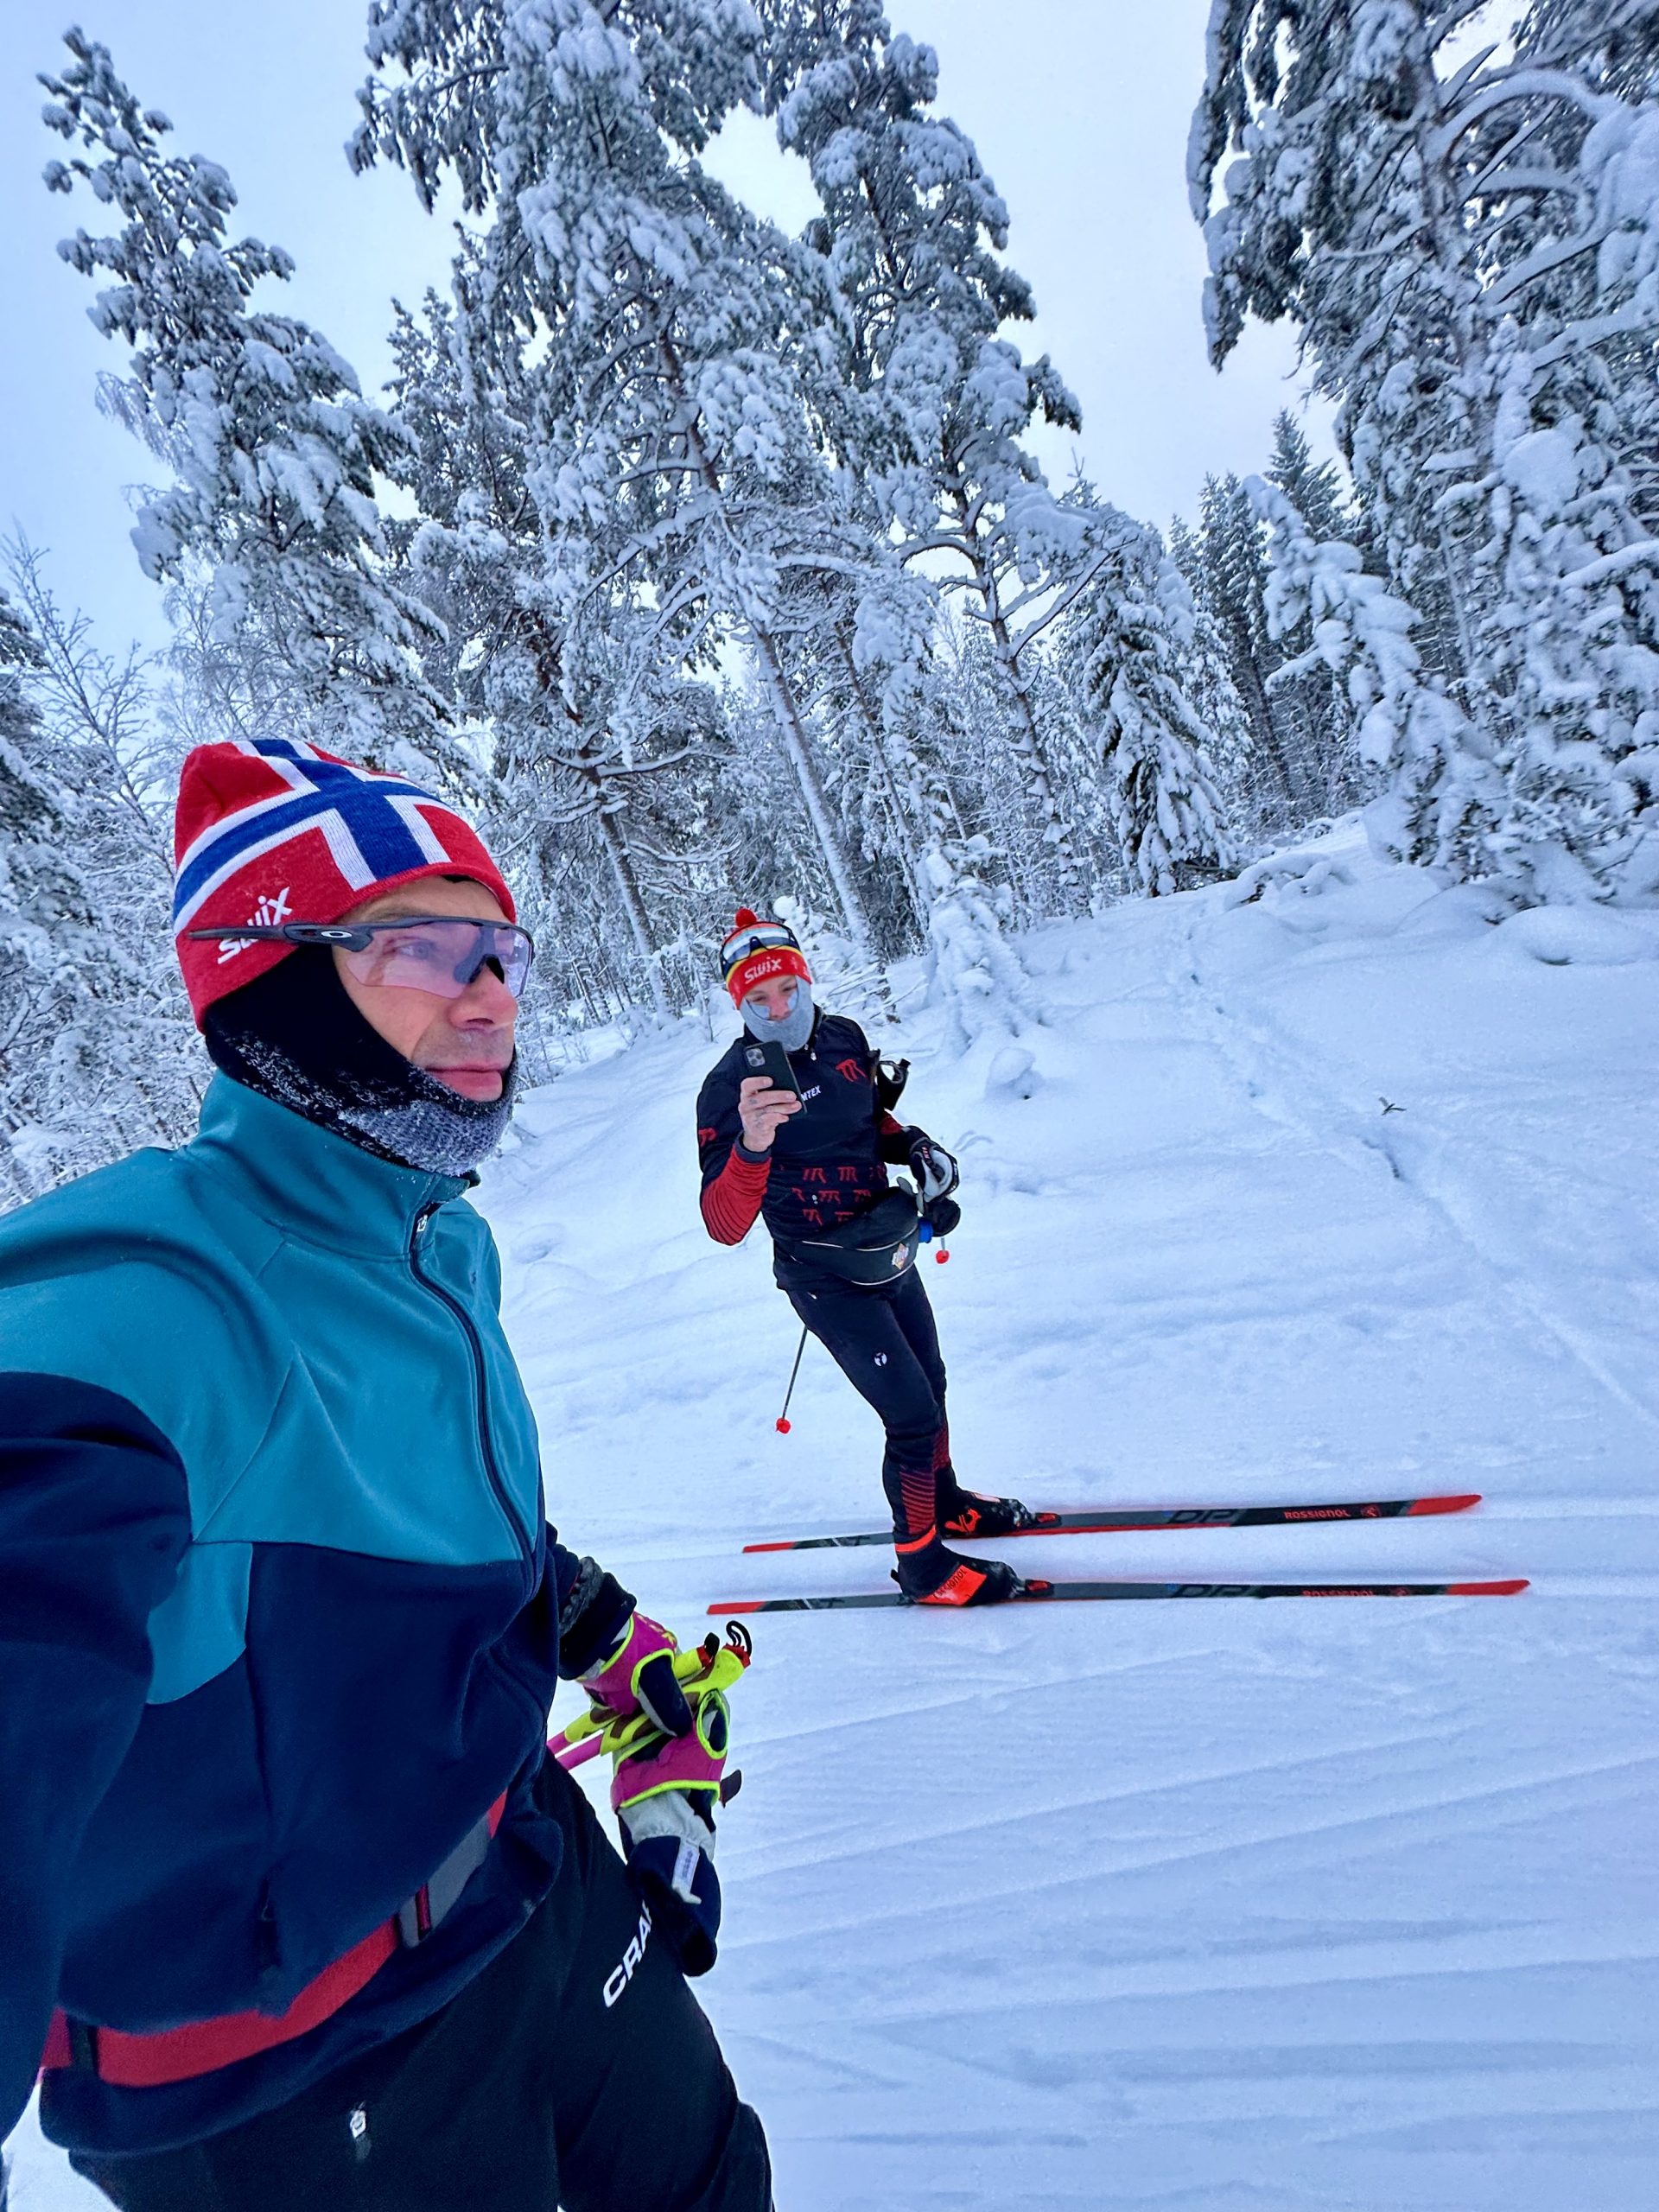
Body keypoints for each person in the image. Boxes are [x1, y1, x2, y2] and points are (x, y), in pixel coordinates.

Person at [0, 738, 770, 2212]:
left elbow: (396, 1513)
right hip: (281, 2081)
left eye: (500, 953)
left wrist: (606, 1640)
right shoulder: (149, 1295)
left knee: (717, 2185)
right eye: (418, 947)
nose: (490, 997)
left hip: (531, 1879)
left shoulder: (433, 1236)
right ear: (270, 978)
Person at [696, 909, 1030, 1605]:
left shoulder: (844, 1038)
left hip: (885, 1247)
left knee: (932, 1384)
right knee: (909, 1415)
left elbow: (868, 1122)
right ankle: (923, 1567)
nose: (779, 1009)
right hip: (823, 1274)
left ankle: (945, 1502)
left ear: (805, 981)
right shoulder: (729, 1091)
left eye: (788, 990)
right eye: (759, 999)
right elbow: (724, 1224)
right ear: (739, 1005)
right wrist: (753, 1143)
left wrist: (915, 1146)